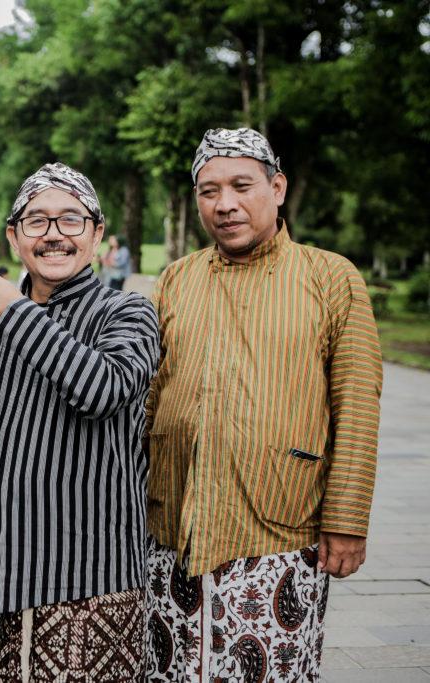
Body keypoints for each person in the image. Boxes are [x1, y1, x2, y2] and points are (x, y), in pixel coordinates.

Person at [144, 128, 383, 681]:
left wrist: (347, 519)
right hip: (172, 532)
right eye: (208, 191)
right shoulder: (176, 279)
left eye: (241, 186)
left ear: (276, 188)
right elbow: (149, 399)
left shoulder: (331, 277)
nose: (224, 204)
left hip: (278, 533)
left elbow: (358, 404)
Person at [0, 163, 160, 681]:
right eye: (37, 221)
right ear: (14, 237)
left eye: (71, 219)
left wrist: (16, 314)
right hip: (0, 573)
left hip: (91, 580)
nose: (53, 234)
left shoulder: (126, 312)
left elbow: (103, 391)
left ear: (96, 234)